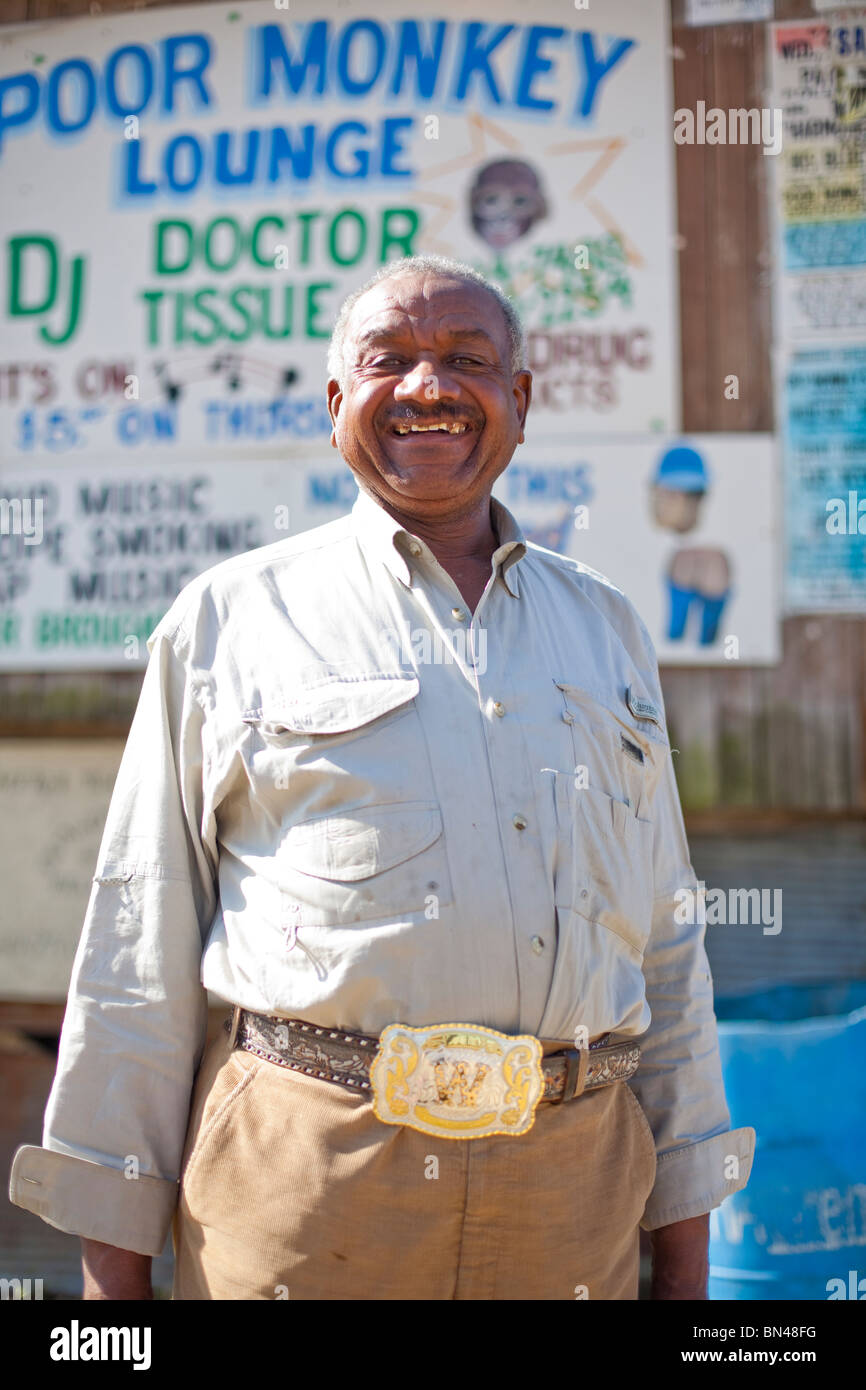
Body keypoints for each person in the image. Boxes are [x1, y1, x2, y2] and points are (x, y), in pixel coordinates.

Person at [10, 254, 754, 1301]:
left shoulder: (607, 629)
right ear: (334, 404)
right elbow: (139, 948)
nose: (427, 385)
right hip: (306, 1199)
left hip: (571, 1200)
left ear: (519, 401)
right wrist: (110, 1283)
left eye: (466, 359)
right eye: (387, 359)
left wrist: (683, 1255)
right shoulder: (229, 619)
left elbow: (666, 949)